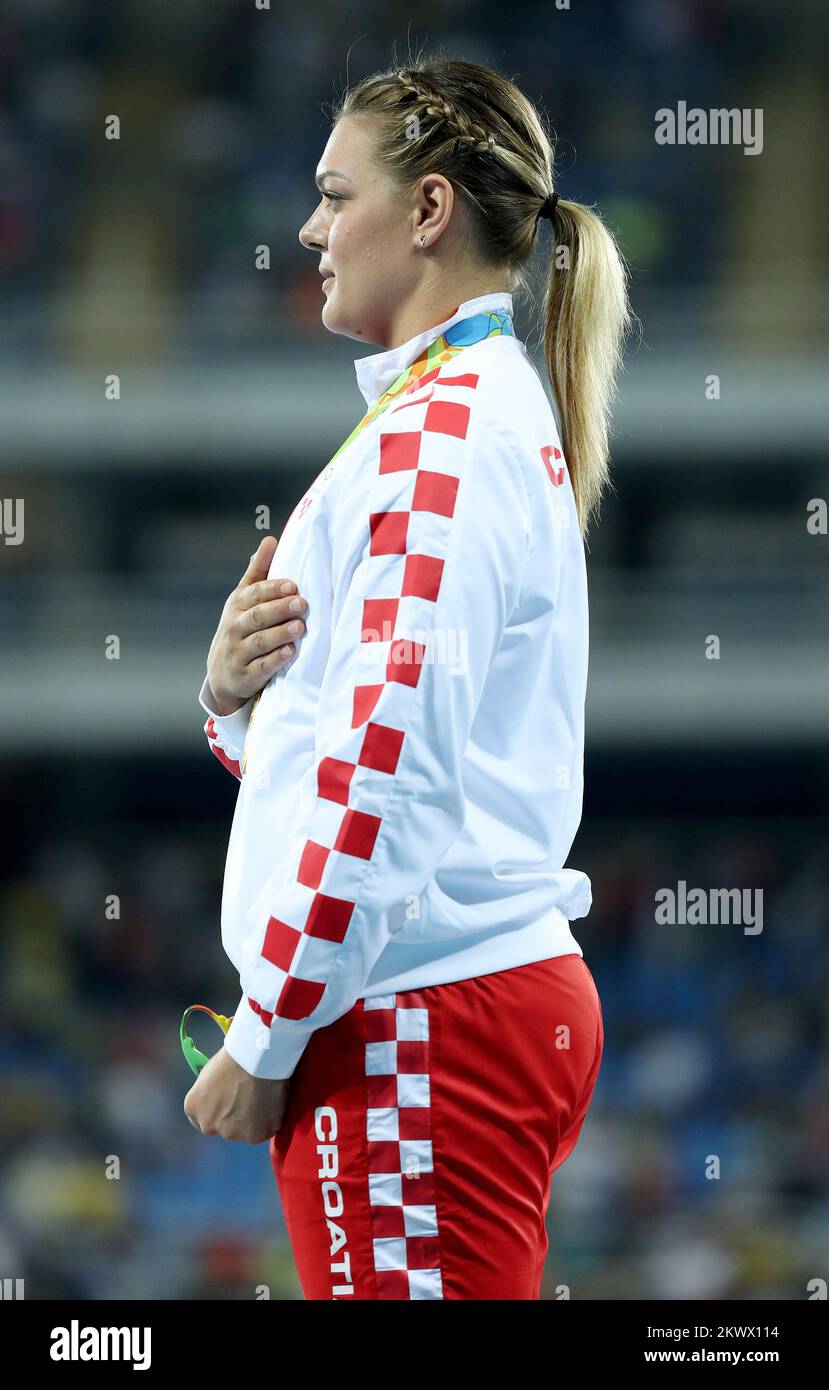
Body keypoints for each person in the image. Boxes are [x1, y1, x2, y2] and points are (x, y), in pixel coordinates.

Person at [184, 54, 630, 1300]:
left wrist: (268, 1029)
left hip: (421, 1013)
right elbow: (348, 741)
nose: (309, 229)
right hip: (436, 1001)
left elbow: (392, 771)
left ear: (428, 211)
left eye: (335, 194)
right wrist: (232, 697)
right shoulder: (445, 414)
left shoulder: (446, 436)